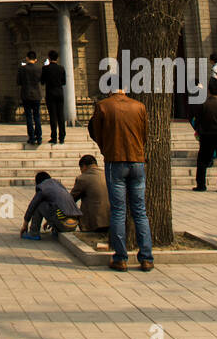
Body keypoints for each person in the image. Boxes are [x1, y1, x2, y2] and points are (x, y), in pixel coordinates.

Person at [88, 88, 154, 271]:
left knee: (118, 210)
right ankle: (146, 258)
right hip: (137, 160)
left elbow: (97, 133)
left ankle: (120, 257)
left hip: (115, 160)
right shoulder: (139, 106)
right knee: (140, 211)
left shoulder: (103, 106)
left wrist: (106, 149)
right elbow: (144, 133)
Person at [193, 77, 217, 192]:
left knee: (202, 161)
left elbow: (198, 121)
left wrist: (200, 131)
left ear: (208, 91)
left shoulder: (203, 105)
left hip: (206, 136)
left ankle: (201, 185)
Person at [20, 171, 81, 240]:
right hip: (74, 224)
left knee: (39, 204)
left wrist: (25, 224)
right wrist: (49, 221)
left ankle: (33, 233)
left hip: (63, 225)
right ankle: (56, 230)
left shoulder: (42, 187)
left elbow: (32, 205)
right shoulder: (58, 185)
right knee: (49, 205)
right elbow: (59, 206)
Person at [70, 154, 110, 233]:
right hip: (110, 220)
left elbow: (71, 199)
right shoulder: (107, 174)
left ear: (84, 166)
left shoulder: (82, 178)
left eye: (80, 168)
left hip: (95, 222)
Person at [40, 49, 67, 144]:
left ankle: (54, 136)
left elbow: (42, 81)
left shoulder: (45, 68)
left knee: (53, 116)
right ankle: (62, 136)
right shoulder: (61, 68)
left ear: (49, 57)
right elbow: (64, 82)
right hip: (59, 92)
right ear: (57, 58)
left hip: (50, 93)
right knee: (61, 115)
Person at [17, 51, 42, 146]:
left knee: (28, 117)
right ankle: (39, 137)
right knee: (37, 116)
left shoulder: (22, 69)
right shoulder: (39, 68)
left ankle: (31, 137)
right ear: (35, 59)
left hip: (26, 94)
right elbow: (41, 80)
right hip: (36, 95)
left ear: (27, 58)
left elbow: (18, 82)